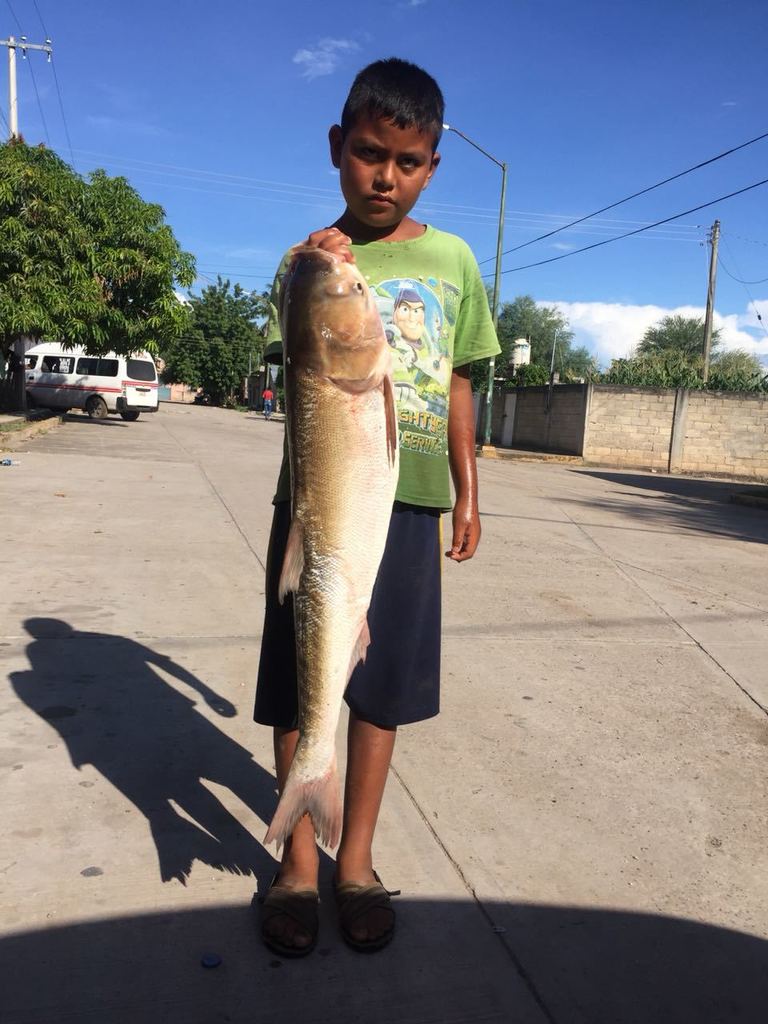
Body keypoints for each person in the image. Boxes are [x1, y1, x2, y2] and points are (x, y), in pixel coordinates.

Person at [254, 57, 500, 957]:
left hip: (408, 506)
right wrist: (315, 273)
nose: (385, 176)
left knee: (381, 695)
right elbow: (298, 345)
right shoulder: (313, 263)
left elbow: (463, 381)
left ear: (433, 164)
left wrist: (470, 491)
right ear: (337, 149)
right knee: (303, 681)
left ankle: (354, 860)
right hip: (317, 511)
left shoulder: (454, 260)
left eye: (408, 160)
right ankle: (298, 869)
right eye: (367, 154)